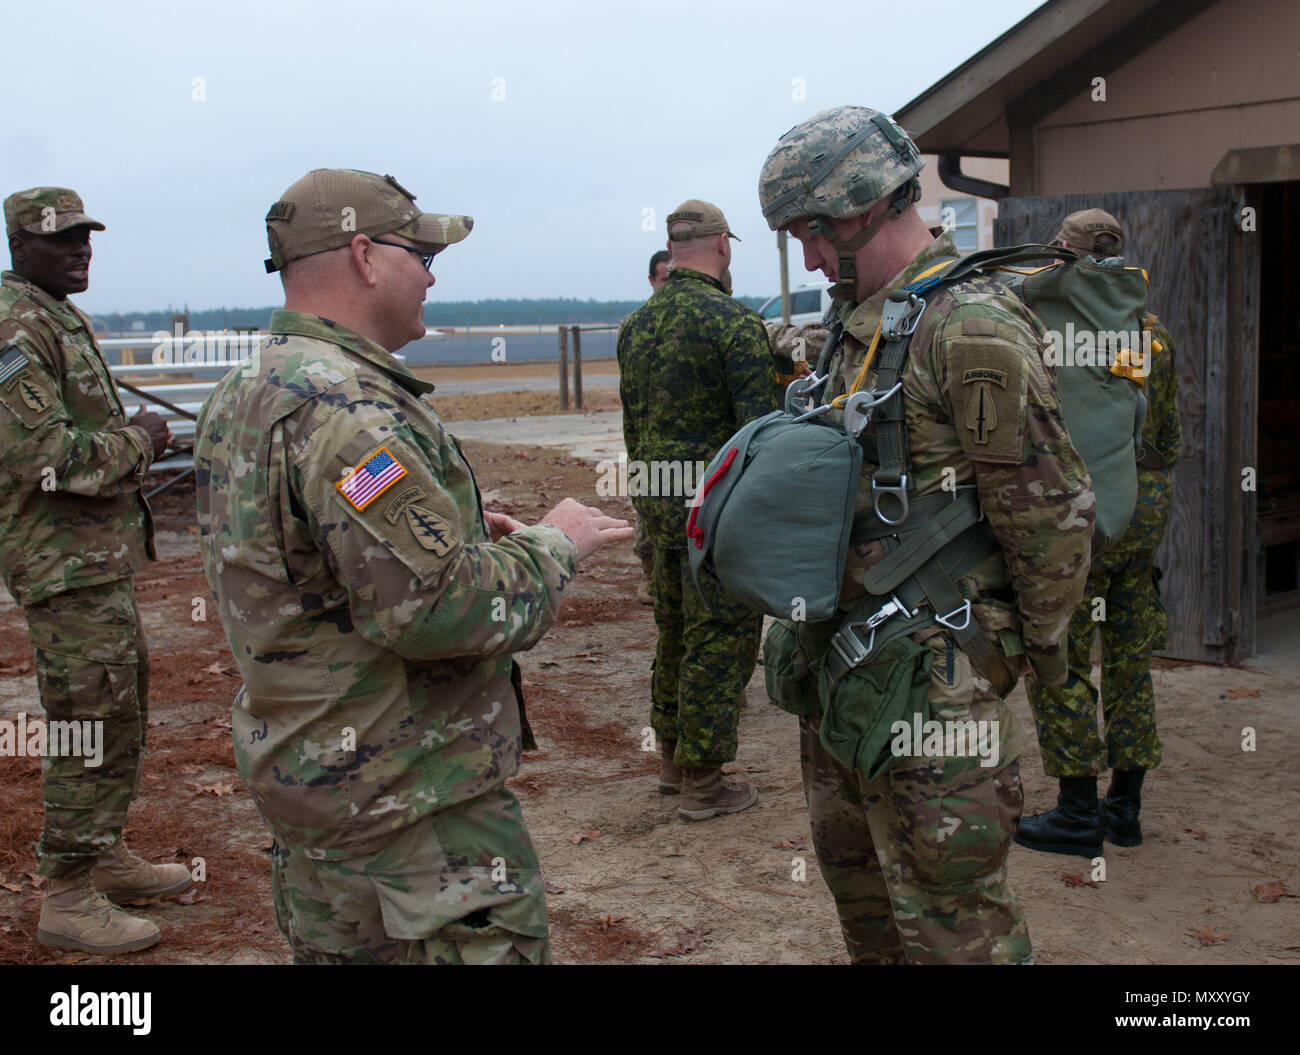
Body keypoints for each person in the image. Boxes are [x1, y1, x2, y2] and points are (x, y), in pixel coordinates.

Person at [194, 168, 630, 965]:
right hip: (412, 818)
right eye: (420, 251)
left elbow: (315, 561)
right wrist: (554, 543)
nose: (431, 272)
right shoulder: (348, 411)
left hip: (322, 798)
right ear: (363, 254)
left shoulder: (250, 390)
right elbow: (440, 610)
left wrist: (455, 528)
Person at [758, 106, 1095, 963]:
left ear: (864, 206)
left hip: (937, 696)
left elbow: (1051, 519)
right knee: (867, 913)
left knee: (955, 926)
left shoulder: (969, 324)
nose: (808, 257)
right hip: (844, 678)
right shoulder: (860, 321)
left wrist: (1038, 675)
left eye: (813, 231)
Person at [0, 187, 190, 955]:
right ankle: (68, 892)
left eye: (85, 235)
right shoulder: (15, 327)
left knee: (120, 702)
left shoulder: (54, 315)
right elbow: (47, 458)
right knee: (87, 716)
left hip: (92, 562)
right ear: (19, 244)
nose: (81, 249)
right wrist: (142, 438)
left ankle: (101, 849)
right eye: (62, 239)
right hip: (60, 564)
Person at [1016, 209, 1182, 856]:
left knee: (1061, 655)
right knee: (1130, 659)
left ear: (1065, 255)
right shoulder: (1150, 336)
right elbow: (1165, 439)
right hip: (1142, 514)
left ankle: (1077, 812)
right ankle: (1126, 808)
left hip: (1082, 514)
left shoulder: (1049, 332)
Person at [617, 199, 778, 820]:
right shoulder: (735, 324)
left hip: (658, 504)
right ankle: (705, 783)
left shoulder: (636, 326)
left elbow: (634, 423)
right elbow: (759, 434)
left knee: (674, 632)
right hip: (714, 511)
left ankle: (671, 760)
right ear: (722, 246)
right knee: (721, 635)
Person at [630, 249, 674, 606]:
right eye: (663, 279)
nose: (668, 286)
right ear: (651, 281)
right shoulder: (639, 325)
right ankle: (648, 570)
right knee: (648, 494)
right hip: (648, 427)